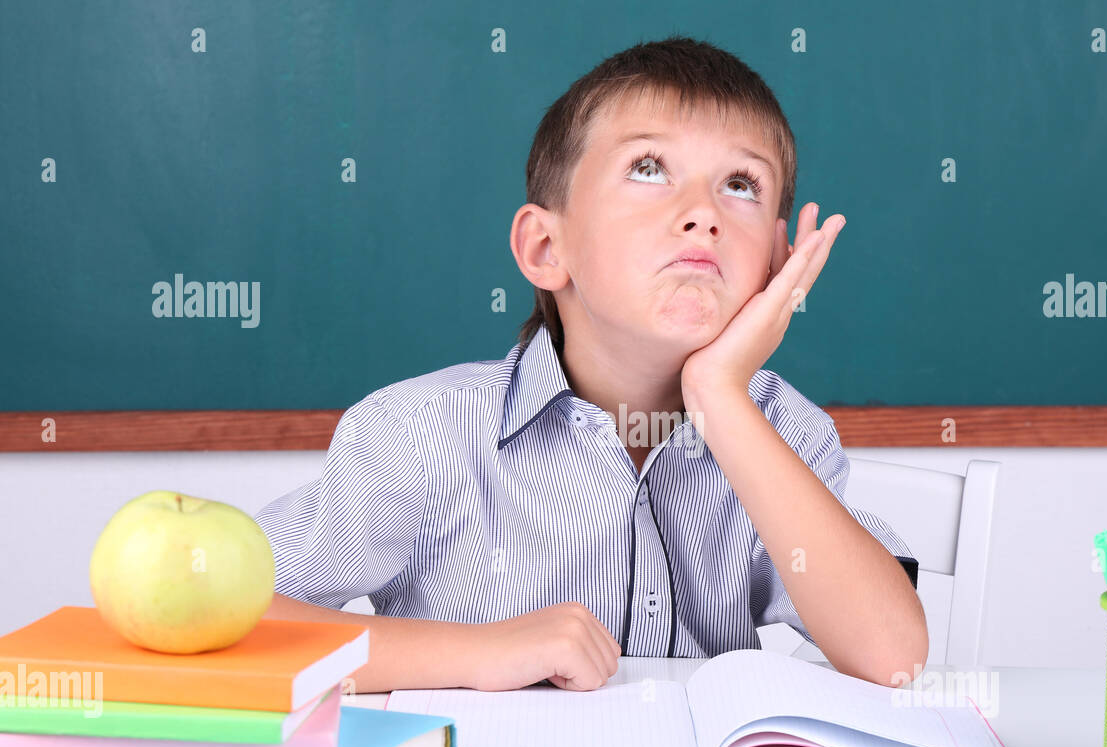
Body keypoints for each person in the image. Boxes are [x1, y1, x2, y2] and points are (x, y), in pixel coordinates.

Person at [256, 35, 927, 693]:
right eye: (648, 168)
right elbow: (227, 627)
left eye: (741, 184)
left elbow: (893, 658)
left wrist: (720, 395)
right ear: (548, 247)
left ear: (778, 268)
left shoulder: (784, 431)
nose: (702, 214)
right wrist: (476, 654)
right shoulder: (420, 436)